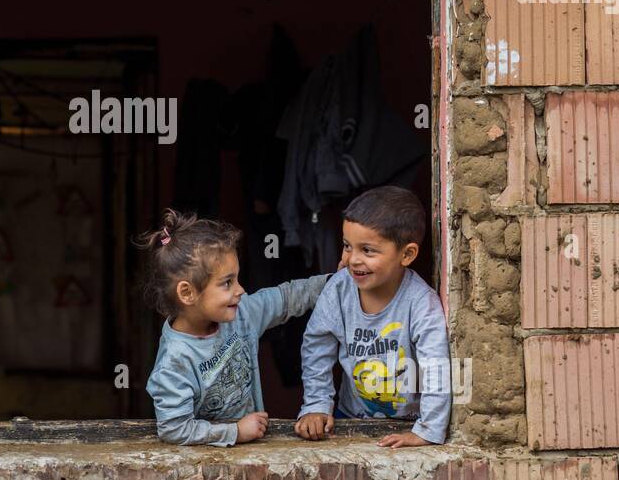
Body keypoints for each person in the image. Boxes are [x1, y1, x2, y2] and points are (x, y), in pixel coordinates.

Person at [140, 210, 331, 446]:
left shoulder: (241, 315)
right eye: (227, 283)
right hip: (203, 472)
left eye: (237, 279)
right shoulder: (174, 362)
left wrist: (336, 282)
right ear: (187, 293)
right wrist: (235, 432)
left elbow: (287, 298)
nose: (240, 290)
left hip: (253, 455)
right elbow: (174, 429)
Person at [294, 186, 450, 448]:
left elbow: (436, 367)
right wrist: (317, 405)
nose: (352, 260)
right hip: (348, 418)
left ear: (407, 254)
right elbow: (317, 346)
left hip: (407, 423)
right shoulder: (339, 288)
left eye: (367, 250)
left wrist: (427, 430)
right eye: (347, 246)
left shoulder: (422, 303)